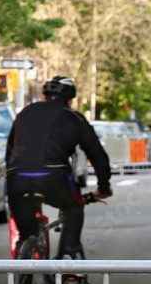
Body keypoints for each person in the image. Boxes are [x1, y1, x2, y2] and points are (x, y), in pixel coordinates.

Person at [6, 76, 112, 258]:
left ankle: (25, 258)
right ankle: (68, 254)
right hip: (53, 178)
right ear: (71, 100)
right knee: (74, 207)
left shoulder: (25, 113)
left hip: (17, 179)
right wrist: (103, 187)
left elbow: (10, 152)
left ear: (44, 96)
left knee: (27, 233)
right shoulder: (73, 117)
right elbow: (96, 154)